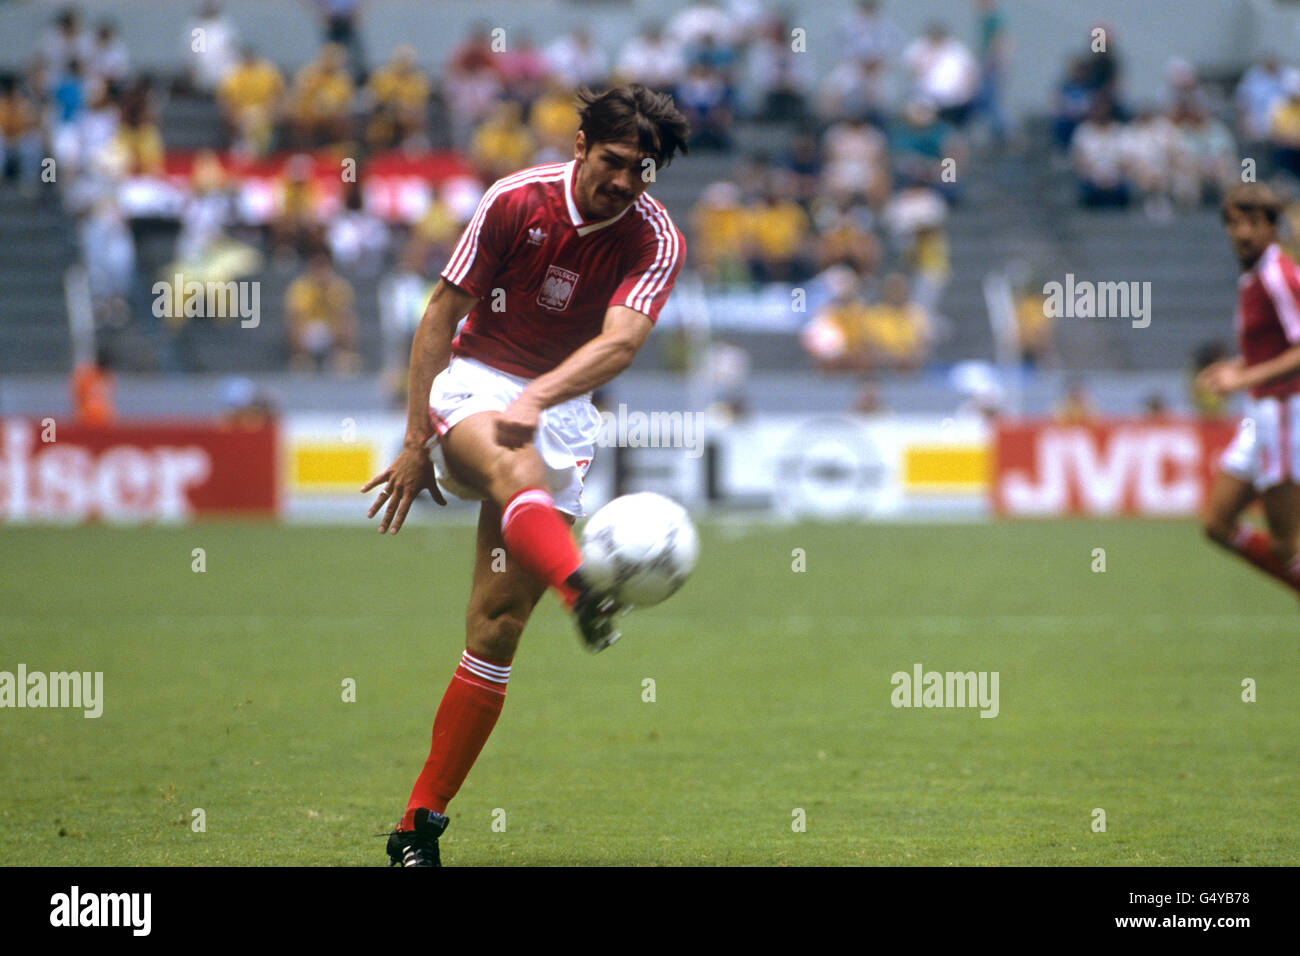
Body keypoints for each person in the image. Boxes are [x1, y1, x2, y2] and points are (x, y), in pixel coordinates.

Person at [362, 84, 688, 867]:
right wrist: (415, 440)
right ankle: (582, 588)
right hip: (476, 380)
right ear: (580, 145)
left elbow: (621, 343)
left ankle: (418, 827)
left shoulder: (657, 239)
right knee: (512, 470)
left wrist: (542, 398)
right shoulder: (516, 200)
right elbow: (440, 313)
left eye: (641, 171)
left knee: (497, 632)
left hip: (563, 411)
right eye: (612, 162)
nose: (623, 182)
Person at [1199, 183, 1300, 598]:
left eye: (1252, 223)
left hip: (1282, 411)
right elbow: (1272, 348)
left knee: (1287, 544)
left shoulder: (1279, 275)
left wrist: (1243, 379)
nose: (1241, 232)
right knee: (1216, 523)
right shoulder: (1253, 277)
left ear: (1272, 227)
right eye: (1233, 223)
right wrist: (1238, 367)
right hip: (1258, 413)